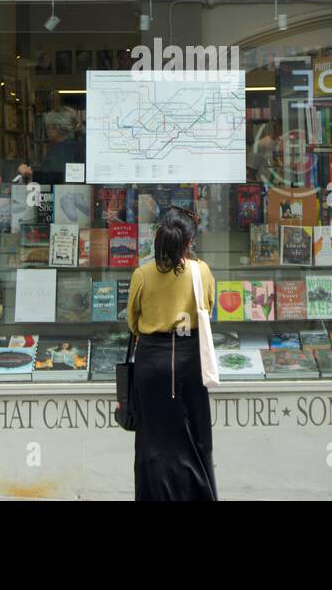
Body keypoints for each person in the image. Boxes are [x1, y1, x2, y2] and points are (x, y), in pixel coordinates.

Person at [126, 206, 218, 501]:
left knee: (152, 442)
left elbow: (132, 320)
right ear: (188, 243)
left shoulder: (141, 274)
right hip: (189, 361)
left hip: (151, 363)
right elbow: (209, 307)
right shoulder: (200, 271)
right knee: (192, 438)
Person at [16, 107, 84, 184]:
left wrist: (28, 174)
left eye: (48, 127)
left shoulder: (58, 152)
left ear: (56, 128)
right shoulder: (81, 148)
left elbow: (50, 179)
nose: (46, 131)